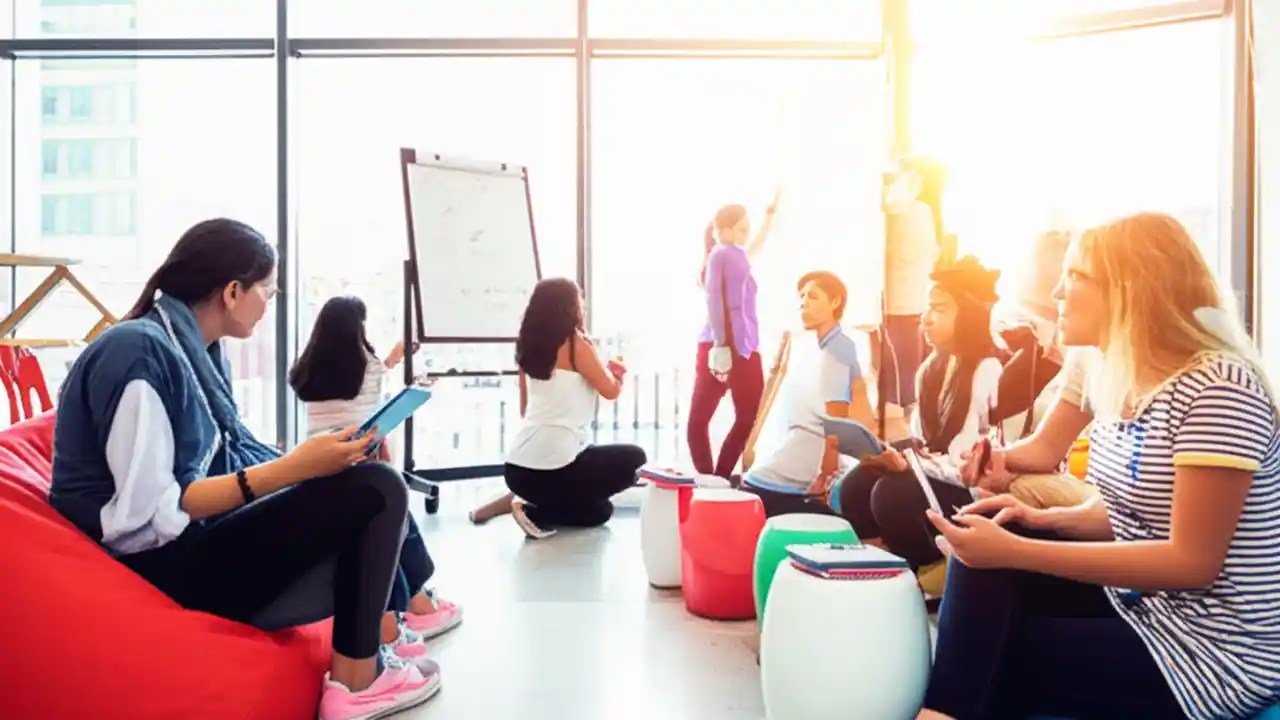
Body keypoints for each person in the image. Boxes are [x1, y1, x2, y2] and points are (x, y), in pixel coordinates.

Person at [48, 219, 439, 719]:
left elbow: (220, 467)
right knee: (378, 488)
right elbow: (148, 516)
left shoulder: (197, 351)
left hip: (195, 543)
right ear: (232, 292)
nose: (268, 307)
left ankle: (370, 657)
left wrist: (313, 464)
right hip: (165, 566)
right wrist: (293, 470)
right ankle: (358, 680)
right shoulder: (138, 353)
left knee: (363, 477)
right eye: (267, 293)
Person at [919, 213, 1280, 720]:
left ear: (1131, 290)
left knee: (995, 651)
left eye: (1076, 278)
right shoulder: (1115, 372)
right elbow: (1135, 515)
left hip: (1211, 652)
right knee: (980, 563)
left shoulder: (1219, 389)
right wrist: (1041, 523)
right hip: (1146, 607)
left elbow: (1191, 563)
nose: (1057, 291)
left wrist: (1022, 550)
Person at [290, 295, 463, 644]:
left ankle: (413, 601)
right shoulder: (367, 365)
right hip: (358, 460)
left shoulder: (305, 370)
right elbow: (375, 388)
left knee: (387, 529)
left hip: (316, 463)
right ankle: (412, 607)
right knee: (395, 526)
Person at [837, 257, 1003, 594]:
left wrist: (914, 464)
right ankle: (886, 567)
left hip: (974, 486)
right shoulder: (933, 367)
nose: (925, 320)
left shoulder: (990, 369)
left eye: (939, 309)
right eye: (927, 308)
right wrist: (896, 455)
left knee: (891, 494)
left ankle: (936, 572)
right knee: (854, 485)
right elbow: (925, 441)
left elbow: (980, 460)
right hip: (937, 469)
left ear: (970, 314)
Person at [474, 278, 647, 539]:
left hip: (517, 467)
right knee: (635, 458)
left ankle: (517, 498)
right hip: (558, 465)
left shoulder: (526, 346)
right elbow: (610, 391)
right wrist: (618, 374)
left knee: (600, 511)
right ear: (570, 307)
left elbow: (526, 409)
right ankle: (533, 511)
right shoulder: (575, 344)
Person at [741, 271, 879, 516]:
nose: (803, 303)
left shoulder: (837, 351)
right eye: (801, 297)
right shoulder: (821, 351)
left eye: (813, 296)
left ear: (835, 302)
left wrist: (826, 480)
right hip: (774, 480)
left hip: (787, 486)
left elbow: (836, 424)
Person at [689, 191, 782, 478]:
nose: (745, 235)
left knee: (740, 418)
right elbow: (715, 300)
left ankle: (717, 480)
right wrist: (721, 346)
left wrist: (769, 216)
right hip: (729, 348)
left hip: (736, 347)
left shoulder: (734, 255)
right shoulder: (722, 254)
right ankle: (715, 480)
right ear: (724, 230)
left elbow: (754, 248)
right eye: (741, 229)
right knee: (715, 420)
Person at [876, 157, 943, 422]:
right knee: (916, 375)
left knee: (902, 378)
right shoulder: (927, 212)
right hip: (917, 301)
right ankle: (916, 430)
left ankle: (905, 432)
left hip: (900, 304)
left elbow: (892, 203)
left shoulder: (904, 212)